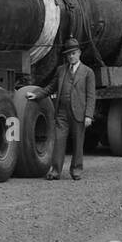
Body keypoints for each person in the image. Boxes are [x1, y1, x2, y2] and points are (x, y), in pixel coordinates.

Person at [26, 37, 95, 180]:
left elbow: (91, 96)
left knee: (77, 143)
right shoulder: (61, 70)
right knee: (59, 141)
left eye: (74, 53)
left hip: (79, 113)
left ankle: (76, 170)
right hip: (62, 112)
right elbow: (51, 87)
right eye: (69, 54)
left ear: (79, 53)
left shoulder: (88, 72)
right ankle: (55, 171)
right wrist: (37, 95)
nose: (71, 56)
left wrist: (89, 115)